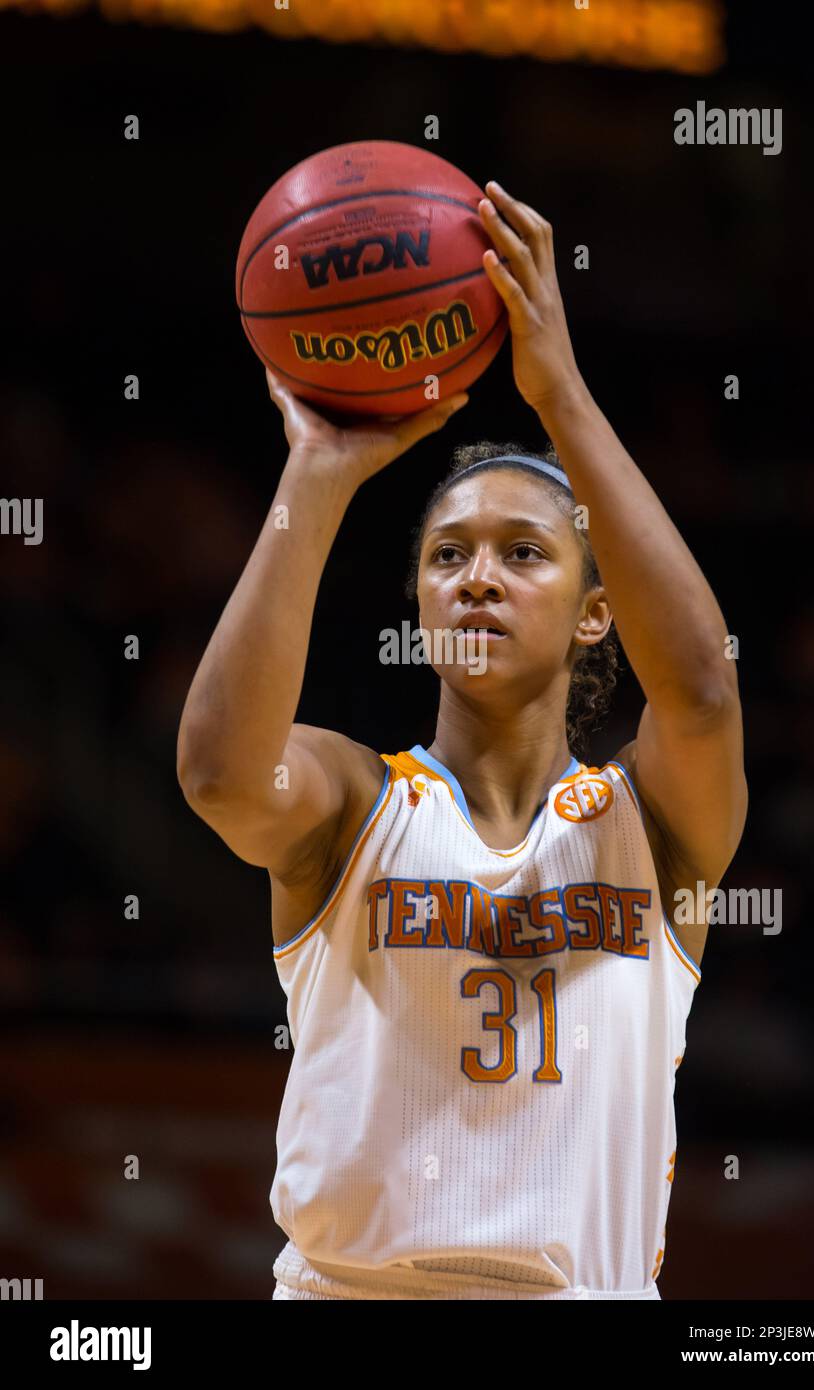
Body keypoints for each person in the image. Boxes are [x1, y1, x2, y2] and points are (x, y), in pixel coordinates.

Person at [177, 179, 747, 1300]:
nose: (476, 576)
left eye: (523, 553)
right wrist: (317, 474)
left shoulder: (652, 824)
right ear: (419, 605)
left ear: (597, 611)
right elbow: (217, 772)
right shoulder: (356, 804)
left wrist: (561, 393)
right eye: (447, 556)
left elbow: (700, 690)